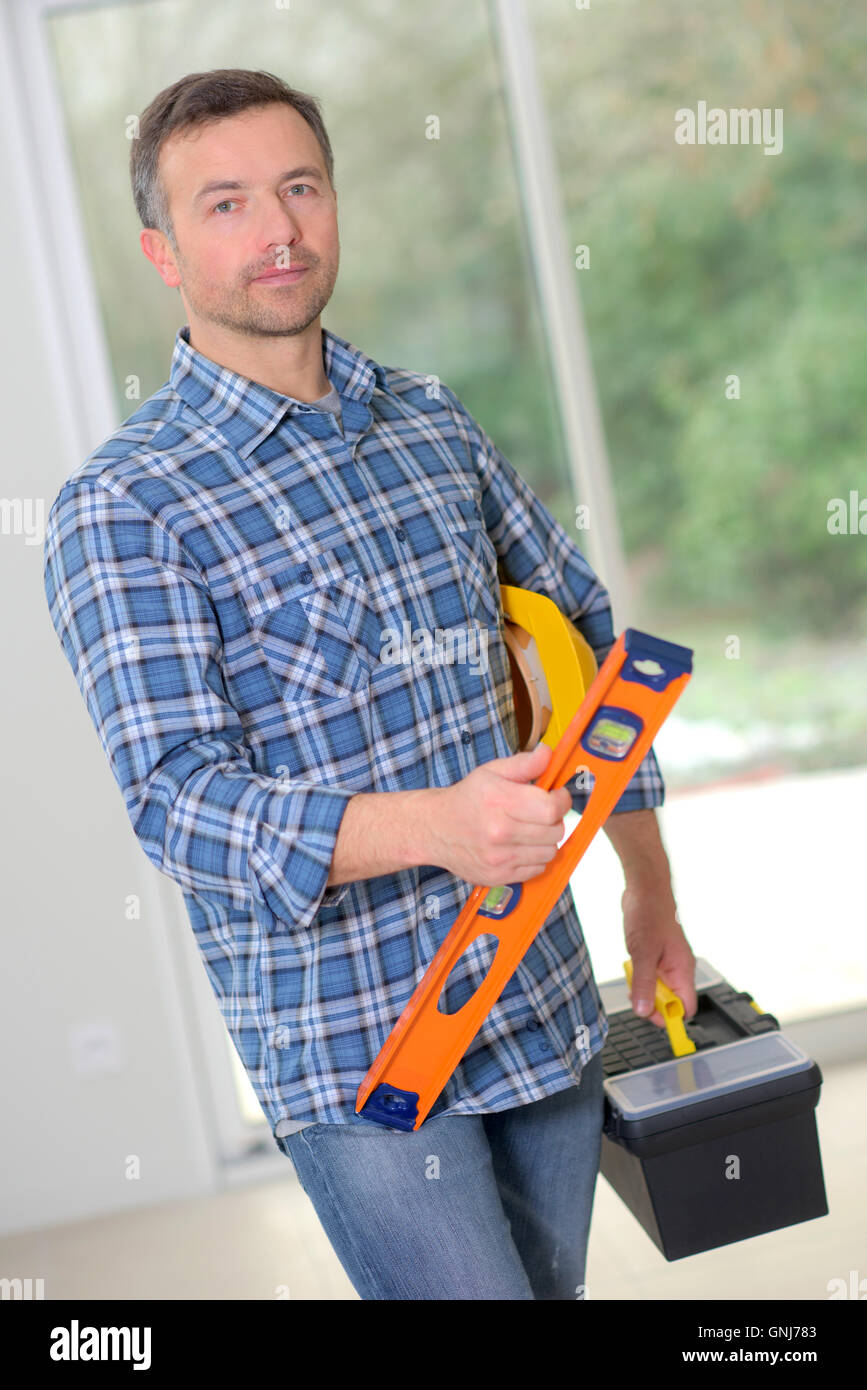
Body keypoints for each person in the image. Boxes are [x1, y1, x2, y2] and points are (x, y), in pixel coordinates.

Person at [43, 68, 696, 1300]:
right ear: (163, 250)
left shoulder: (433, 426)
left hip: (539, 1008)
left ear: (335, 202)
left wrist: (649, 892)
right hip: (360, 1061)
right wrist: (440, 830)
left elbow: (599, 646)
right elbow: (182, 805)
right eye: (225, 203)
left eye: (300, 188)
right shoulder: (125, 507)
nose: (277, 230)